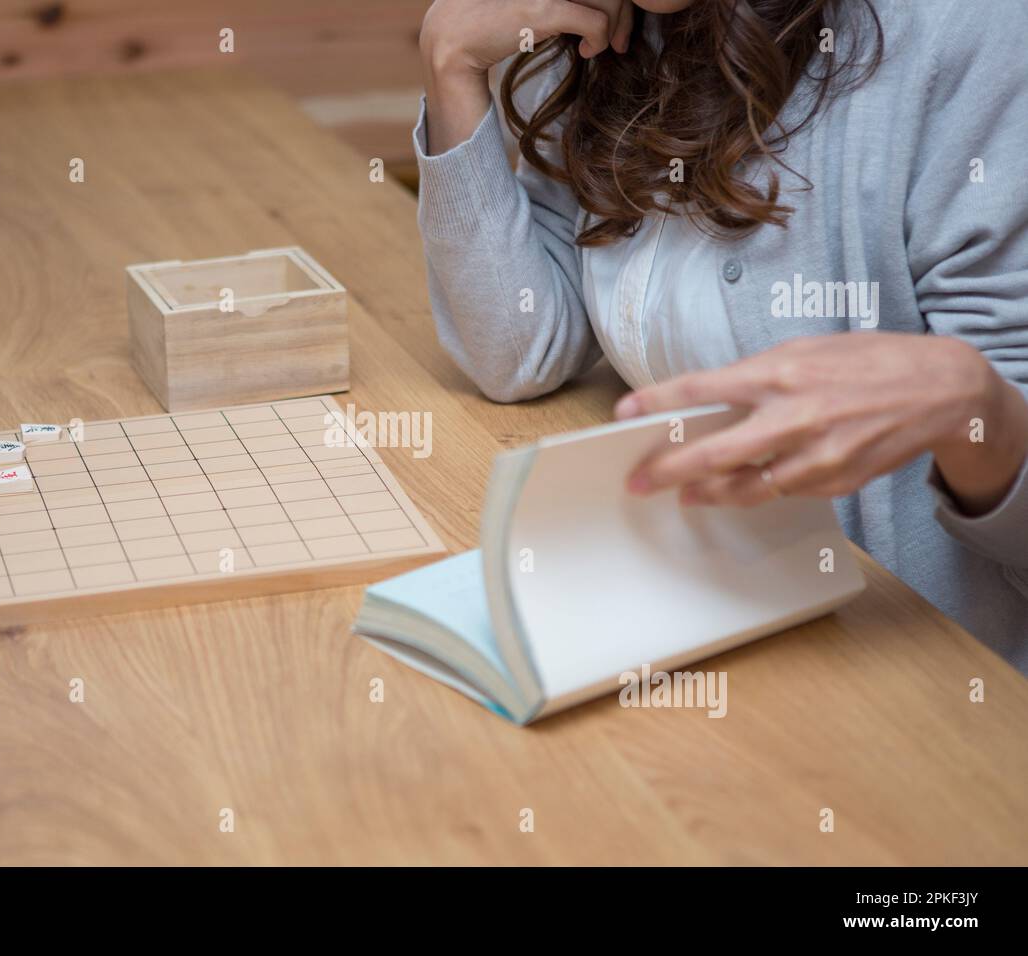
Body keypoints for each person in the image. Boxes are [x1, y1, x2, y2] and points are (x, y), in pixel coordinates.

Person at [414, 0, 1028, 669]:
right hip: (702, 603)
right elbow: (518, 348)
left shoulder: (970, 30)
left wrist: (976, 405)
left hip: (914, 675)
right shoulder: (605, 23)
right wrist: (451, 60)